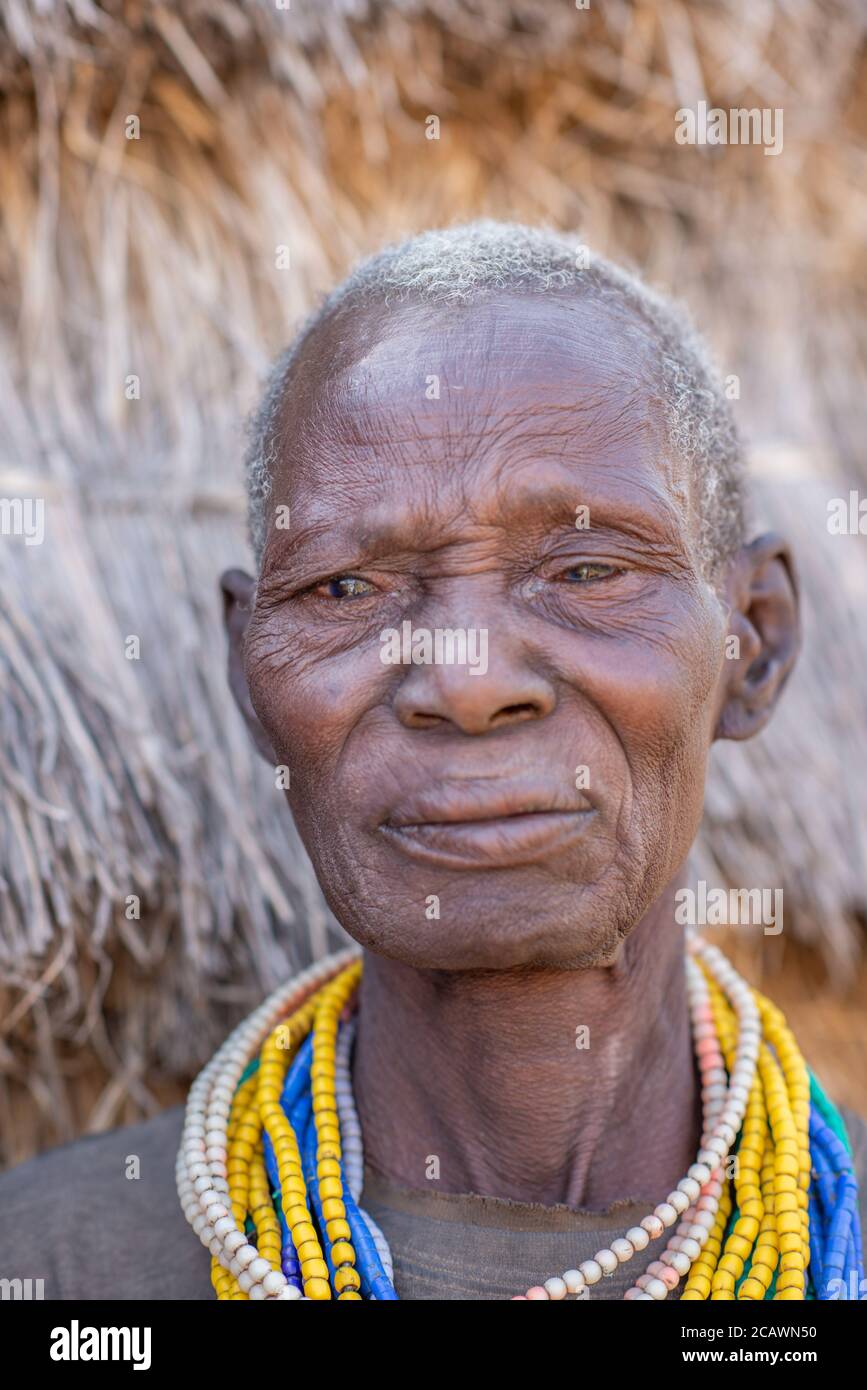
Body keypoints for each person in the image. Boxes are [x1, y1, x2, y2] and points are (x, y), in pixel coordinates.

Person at [2, 222, 864, 1302]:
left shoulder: (842, 1231)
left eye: (588, 567)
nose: (463, 680)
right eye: (348, 589)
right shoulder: (54, 1270)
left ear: (755, 641)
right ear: (245, 673)